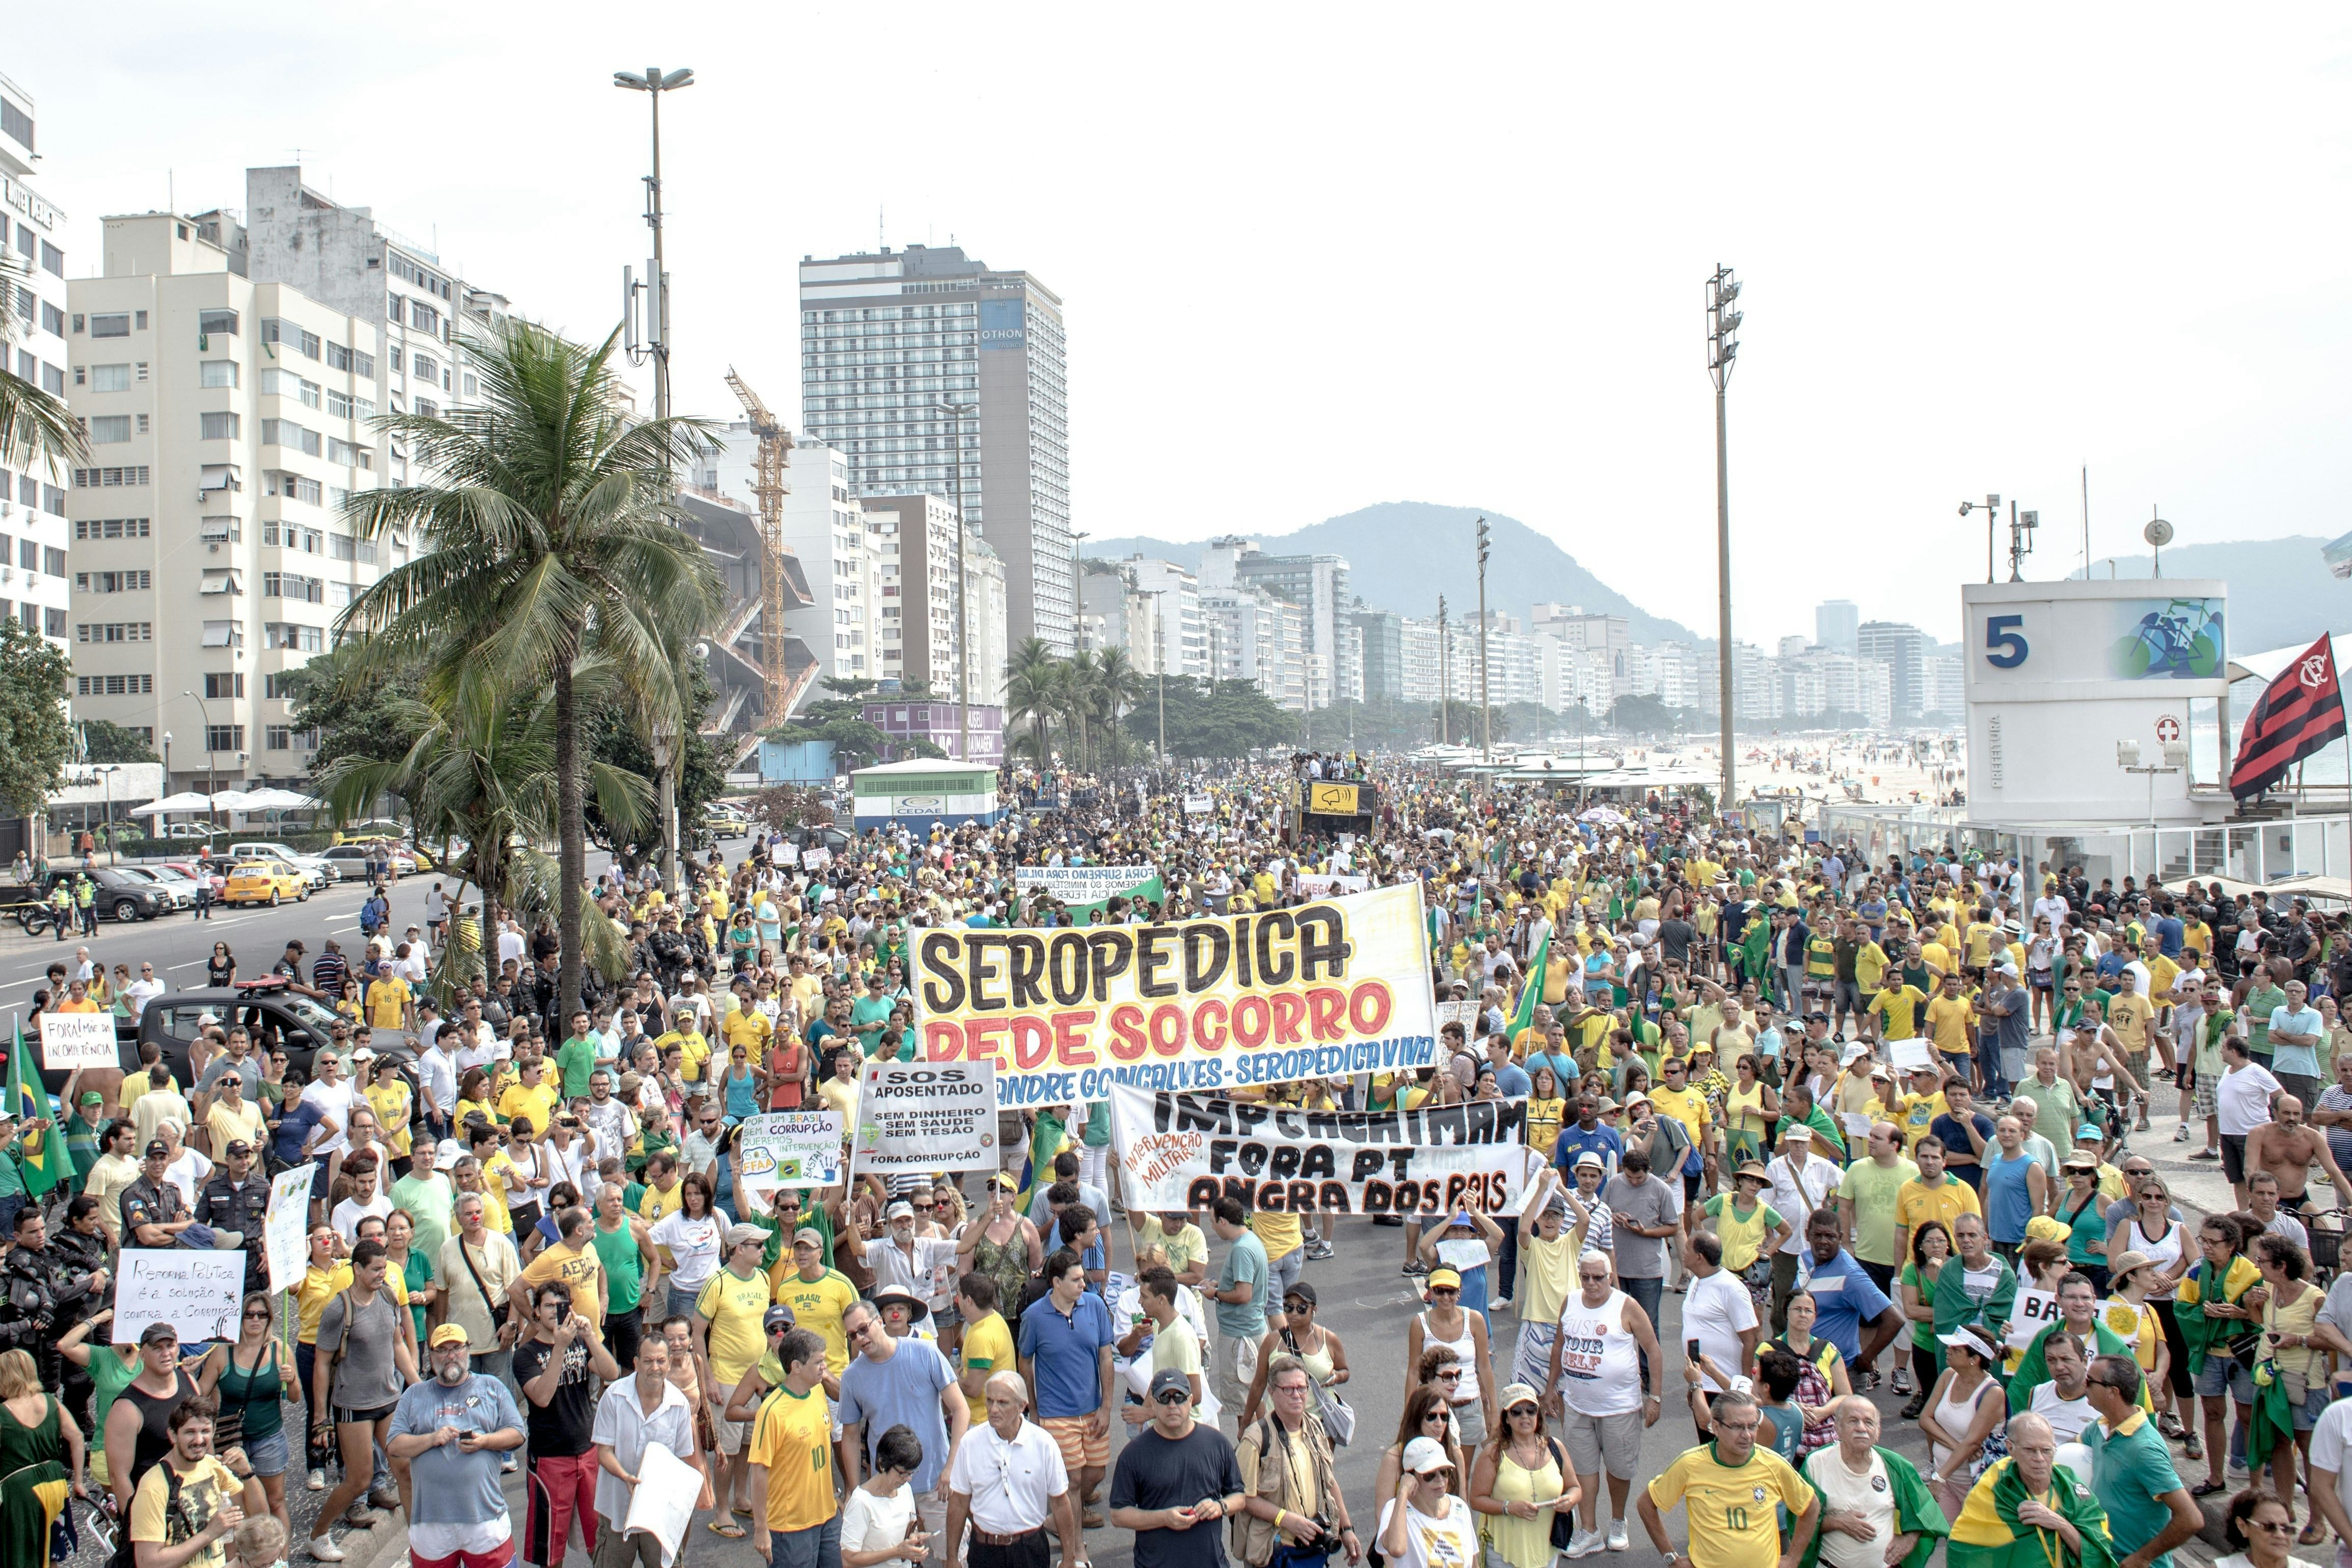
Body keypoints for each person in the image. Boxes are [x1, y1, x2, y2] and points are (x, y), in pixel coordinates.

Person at [386, 1326, 527, 1568]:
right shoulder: (414, 1395)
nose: (451, 1356)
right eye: (442, 1350)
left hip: (486, 1519)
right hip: (431, 1524)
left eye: (456, 1348)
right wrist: (430, 1439)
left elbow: (517, 1434)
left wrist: (485, 1441)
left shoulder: (491, 1387)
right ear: (430, 1356)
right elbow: (395, 1445)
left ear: (468, 1350)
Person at [309, 1239, 415, 1562]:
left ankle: (418, 1542)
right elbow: (322, 1362)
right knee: (359, 1479)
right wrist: (319, 1416)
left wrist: (418, 1384)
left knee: (405, 1469)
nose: (383, 1274)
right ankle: (318, 1534)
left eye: (385, 1268)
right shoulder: (339, 1309)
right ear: (357, 1269)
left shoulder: (387, 1295)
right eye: (376, 1269)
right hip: (353, 1405)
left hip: (388, 1399)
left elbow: (397, 1344)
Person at [839, 1295, 968, 1560]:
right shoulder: (852, 1377)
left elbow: (960, 1409)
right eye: (853, 1335)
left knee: (952, 1557)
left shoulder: (925, 1352)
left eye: (864, 1328)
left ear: (879, 1321)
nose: (860, 1338)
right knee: (893, 1560)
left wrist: (950, 1467)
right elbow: (850, 1437)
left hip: (936, 1485)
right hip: (886, 1490)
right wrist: (855, 1489)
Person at [1636, 1387, 1819, 1568]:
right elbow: (1647, 1504)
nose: (1747, 1435)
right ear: (1716, 1427)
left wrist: (1793, 1559)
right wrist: (1672, 1558)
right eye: (1737, 1427)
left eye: (1752, 1426)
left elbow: (1810, 1505)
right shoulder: (1690, 1464)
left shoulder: (1773, 1465)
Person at [516, 1279, 623, 1568]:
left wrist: (590, 1338)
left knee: (599, 1537)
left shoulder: (579, 1342)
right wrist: (560, 1348)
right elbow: (542, 1397)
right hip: (550, 1457)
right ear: (536, 1311)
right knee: (552, 1548)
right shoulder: (525, 1355)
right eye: (548, 1306)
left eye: (561, 1306)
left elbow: (611, 1373)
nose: (555, 1312)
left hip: (587, 1450)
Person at [589, 1332, 710, 1568]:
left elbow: (683, 1461)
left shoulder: (679, 1404)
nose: (655, 1367)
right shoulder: (614, 1397)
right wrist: (624, 1476)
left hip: (659, 1514)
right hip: (617, 1508)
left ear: (669, 1362)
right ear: (636, 1363)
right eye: (648, 1361)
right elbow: (604, 1452)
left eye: (661, 1361)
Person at [1231, 1355, 1361, 1568]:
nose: (1297, 1396)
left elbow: (1329, 1482)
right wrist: (1286, 1519)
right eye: (1288, 1389)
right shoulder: (1256, 1439)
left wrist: (1346, 1530)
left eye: (1302, 1388)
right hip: (1273, 1552)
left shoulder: (1316, 1428)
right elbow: (1243, 1498)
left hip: (1314, 1549)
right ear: (1272, 1392)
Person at [943, 1371, 1083, 1568]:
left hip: (1030, 1549)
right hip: (985, 1550)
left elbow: (1060, 1503)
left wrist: (1069, 1558)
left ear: (1021, 1406)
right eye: (990, 1401)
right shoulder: (970, 1443)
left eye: (1002, 1402)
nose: (994, 1409)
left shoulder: (1044, 1444)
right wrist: (952, 1558)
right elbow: (958, 1502)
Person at [1108, 1368, 1245, 1568]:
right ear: (1153, 1404)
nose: (1172, 1405)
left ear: (1190, 1401)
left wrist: (1219, 1506)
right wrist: (1164, 1518)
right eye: (1164, 1398)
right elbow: (1118, 1515)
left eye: (1179, 1397)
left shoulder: (1218, 1444)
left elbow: (1239, 1497)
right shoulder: (1133, 1454)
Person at [2077, 1355, 2202, 1568]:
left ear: (2112, 1392)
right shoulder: (2100, 1426)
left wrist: (2143, 1557)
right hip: (2105, 1558)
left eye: (2090, 1381)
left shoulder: (2145, 1450)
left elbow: (2191, 1519)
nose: (2084, 1384)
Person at [1944, 1411, 2111, 1568]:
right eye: (2030, 1450)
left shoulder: (2073, 1489)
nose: (2039, 1458)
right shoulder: (1994, 1489)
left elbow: (2098, 1555)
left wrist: (2061, 1524)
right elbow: (1964, 1548)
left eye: (2046, 1450)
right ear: (2010, 1449)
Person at [1799, 1398, 1948, 1568]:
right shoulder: (1816, 1463)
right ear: (1837, 1428)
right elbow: (1798, 1518)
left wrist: (1910, 1538)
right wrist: (1835, 1522)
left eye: (1869, 1422)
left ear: (1877, 1432)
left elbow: (1925, 1511)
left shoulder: (1894, 1465)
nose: (1861, 1428)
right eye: (1853, 1421)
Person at [128, 1398, 265, 1568]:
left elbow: (259, 1519)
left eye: (205, 1431)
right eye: (190, 1432)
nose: (199, 1440)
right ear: (173, 1435)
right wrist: (209, 1534)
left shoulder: (214, 1467)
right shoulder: (153, 1486)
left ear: (214, 1430)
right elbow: (148, 1563)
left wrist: (247, 1474)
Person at [746, 1326, 839, 1568]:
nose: (824, 1368)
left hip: (828, 1517)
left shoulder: (818, 1392)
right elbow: (759, 1472)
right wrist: (760, 1529)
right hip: (790, 1528)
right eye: (818, 1362)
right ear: (796, 1367)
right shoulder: (773, 1411)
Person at [1467, 1382, 1573, 1568]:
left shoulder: (1555, 1447)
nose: (1525, 1416)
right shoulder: (1494, 1453)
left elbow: (1574, 1487)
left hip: (1546, 1549)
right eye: (1517, 1411)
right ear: (1506, 1418)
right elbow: (1476, 1499)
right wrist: (1509, 1507)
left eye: (1531, 1410)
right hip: (1504, 1554)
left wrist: (1569, 1500)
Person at [1791, 1212, 1905, 1380]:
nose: (1823, 1241)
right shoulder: (1805, 1259)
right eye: (1818, 1235)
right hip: (1803, 1367)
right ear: (1807, 1235)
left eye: (1830, 1236)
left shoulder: (1851, 1275)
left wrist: (1866, 1359)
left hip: (1838, 1373)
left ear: (1840, 1238)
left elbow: (1895, 1320)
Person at [0, 1346, 84, 1568]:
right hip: (54, 1482)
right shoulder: (51, 1401)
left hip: (21, 1491)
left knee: (24, 1556)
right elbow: (76, 1437)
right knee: (50, 1552)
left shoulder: (3, 1413)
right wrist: (79, 1481)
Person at [1916, 1323, 2005, 1519]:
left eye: (1956, 1349)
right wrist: (1955, 1447)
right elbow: (1925, 1419)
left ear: (1974, 1359)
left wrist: (1940, 1478)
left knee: (1973, 1545)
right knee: (1950, 1539)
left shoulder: (1993, 1393)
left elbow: (1973, 1441)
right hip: (1945, 1475)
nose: (1948, 1350)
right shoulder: (1948, 1376)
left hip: (1973, 1484)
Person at [1404, 1268, 1494, 1448]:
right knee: (1436, 1466)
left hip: (1469, 1406)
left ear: (1459, 1292)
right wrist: (1409, 1412)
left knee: (1463, 1473)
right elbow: (1414, 1370)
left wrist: (1494, 1411)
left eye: (1451, 1291)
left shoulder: (1475, 1320)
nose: (1446, 1297)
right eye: (1440, 1291)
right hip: (1434, 1409)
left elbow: (1484, 1367)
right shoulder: (1420, 1324)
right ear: (1431, 1292)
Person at [1206, 1198, 1268, 1426]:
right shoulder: (1250, 1241)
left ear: (1223, 1221)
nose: (1212, 1227)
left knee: (1245, 1404)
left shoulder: (1242, 1250)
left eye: (1213, 1222)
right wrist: (1217, 1287)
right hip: (1251, 1331)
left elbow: (1243, 1295)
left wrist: (1216, 1295)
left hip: (1240, 1338)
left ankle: (1250, 1450)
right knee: (1256, 1393)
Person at [1375, 1436, 1480, 1568]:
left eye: (1444, 1472)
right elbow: (1396, 1549)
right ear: (1410, 1476)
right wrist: (1403, 1492)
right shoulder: (1395, 1508)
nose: (1440, 1480)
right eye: (1429, 1475)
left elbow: (1473, 1562)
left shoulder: (1460, 1508)